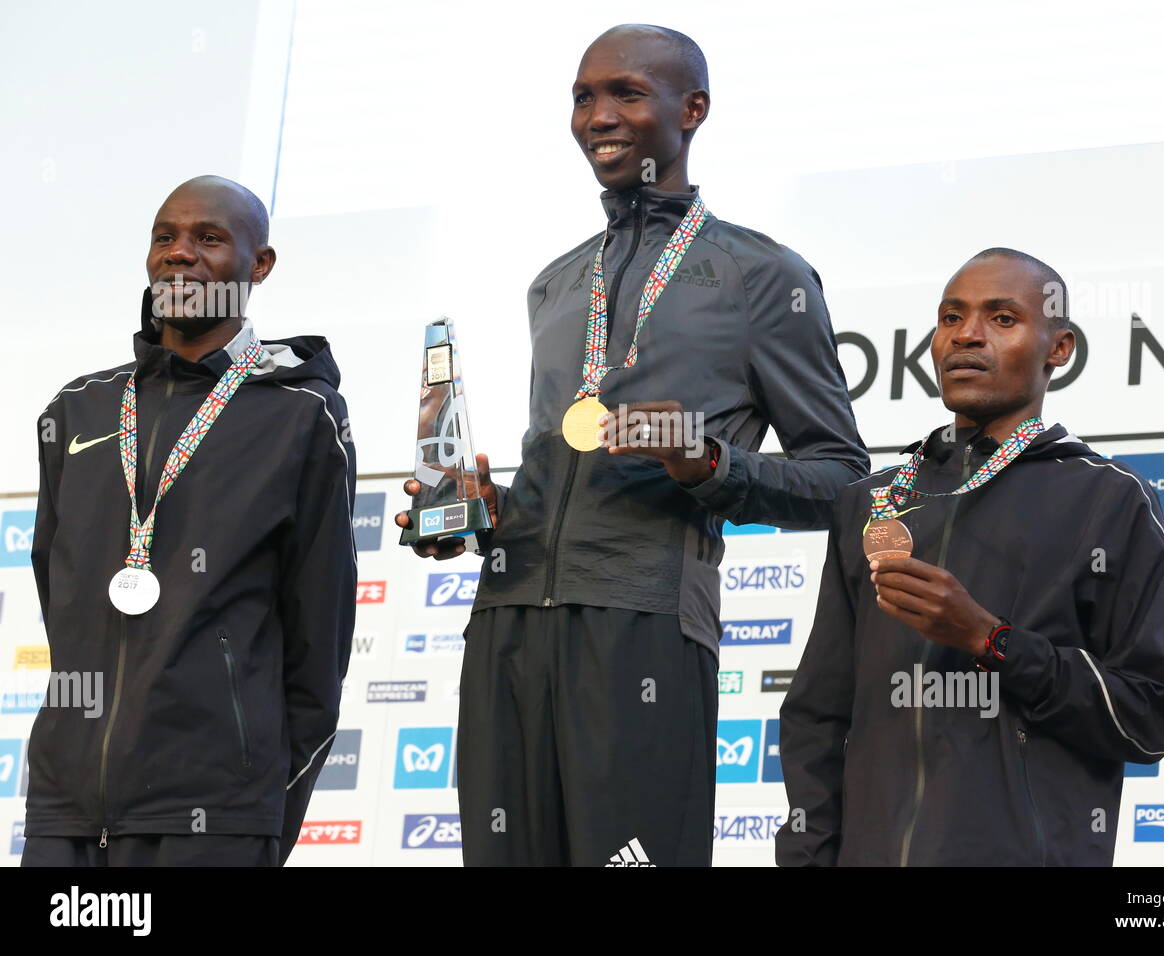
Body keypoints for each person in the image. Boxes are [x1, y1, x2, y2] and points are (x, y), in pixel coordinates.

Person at [396, 24, 871, 866]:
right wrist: (480, 513)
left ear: (693, 110)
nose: (598, 115)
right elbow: (557, 468)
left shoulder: (763, 277)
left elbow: (842, 482)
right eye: (583, 97)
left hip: (642, 625)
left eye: (625, 93)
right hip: (505, 623)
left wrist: (708, 464)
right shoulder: (554, 280)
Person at [776, 248, 1164, 866]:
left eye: (1002, 318)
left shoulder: (1106, 499)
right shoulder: (871, 502)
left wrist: (993, 641)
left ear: (1060, 348)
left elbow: (1151, 715)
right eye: (950, 317)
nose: (966, 335)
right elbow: (818, 712)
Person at [23, 175, 356, 867]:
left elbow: (317, 642)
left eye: (208, 239)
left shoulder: (299, 415)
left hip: (215, 815)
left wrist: (259, 809)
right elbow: (61, 600)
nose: (180, 254)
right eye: (165, 238)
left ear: (258, 265)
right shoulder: (77, 410)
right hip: (67, 810)